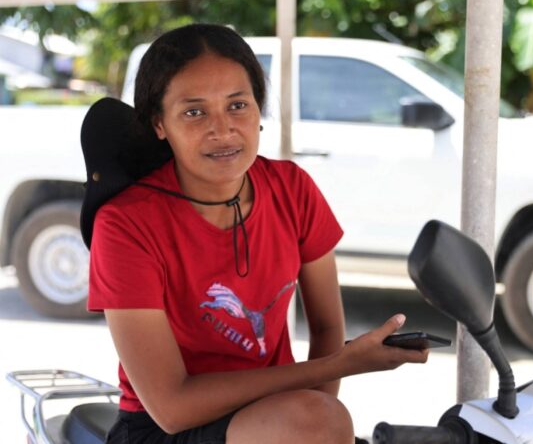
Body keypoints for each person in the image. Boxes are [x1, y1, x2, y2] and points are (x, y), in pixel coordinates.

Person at [86, 23, 428, 444]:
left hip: (278, 417)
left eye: (237, 105)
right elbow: (172, 407)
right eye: (194, 112)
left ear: (259, 109)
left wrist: (313, 424)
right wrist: (333, 380)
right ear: (159, 124)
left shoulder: (292, 188)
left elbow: (324, 328)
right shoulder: (126, 224)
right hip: (162, 429)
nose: (222, 129)